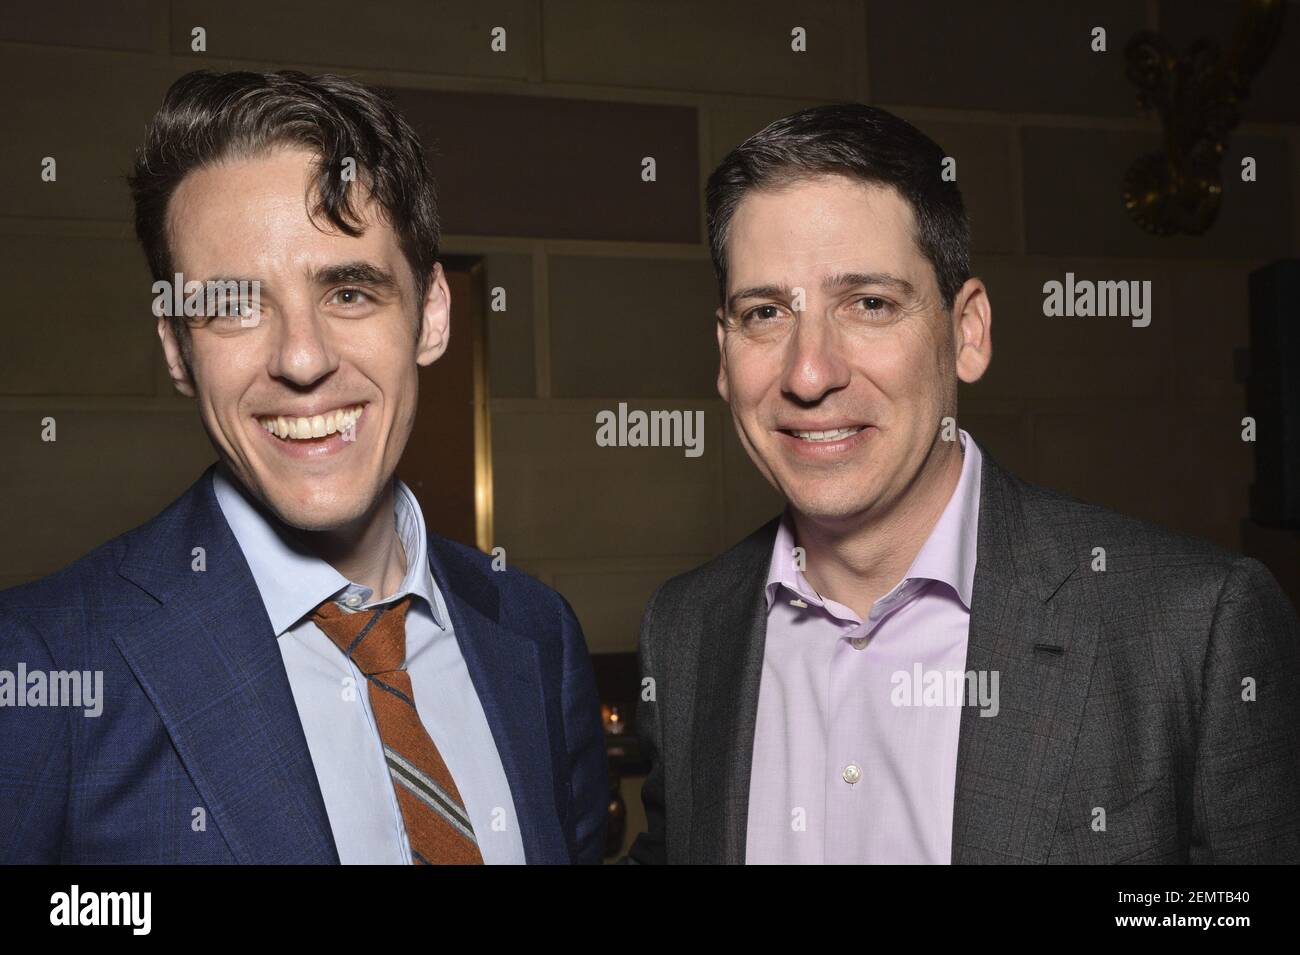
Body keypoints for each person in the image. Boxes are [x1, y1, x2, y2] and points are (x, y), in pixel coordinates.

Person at [625, 104, 1300, 864]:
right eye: (765, 312)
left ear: (968, 331)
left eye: (870, 304)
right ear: (724, 353)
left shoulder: (1194, 627)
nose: (809, 372)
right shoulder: (685, 632)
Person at [0, 70, 606, 864]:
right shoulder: (44, 665)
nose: (301, 358)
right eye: (232, 307)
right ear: (178, 349)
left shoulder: (535, 632)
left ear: (431, 315)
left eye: (349, 291)